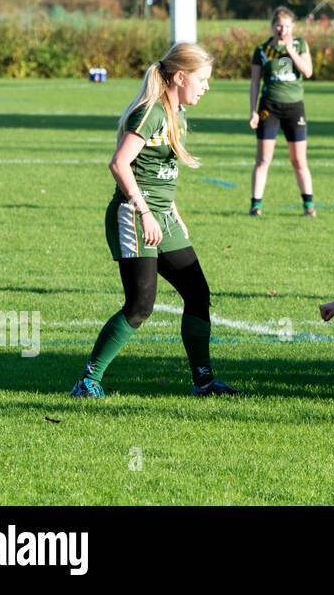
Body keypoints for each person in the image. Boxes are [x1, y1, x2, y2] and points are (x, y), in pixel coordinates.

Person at [71, 43, 238, 398]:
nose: (206, 87)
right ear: (180, 77)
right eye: (202, 79)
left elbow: (160, 171)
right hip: (134, 216)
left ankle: (204, 382)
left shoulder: (178, 113)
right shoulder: (151, 112)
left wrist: (172, 211)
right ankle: (88, 381)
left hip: (162, 216)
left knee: (197, 294)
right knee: (140, 305)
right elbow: (119, 163)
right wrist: (145, 211)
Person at [249, 7, 315, 217]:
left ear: (292, 27)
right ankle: (256, 205)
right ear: (272, 26)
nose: (282, 29)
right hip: (269, 107)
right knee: (263, 159)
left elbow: (308, 71)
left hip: (295, 107)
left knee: (298, 160)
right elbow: (254, 83)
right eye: (279, 25)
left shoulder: (299, 44)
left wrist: (291, 51)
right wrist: (253, 111)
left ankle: (308, 205)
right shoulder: (262, 50)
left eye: (286, 26)